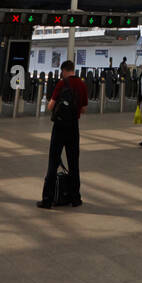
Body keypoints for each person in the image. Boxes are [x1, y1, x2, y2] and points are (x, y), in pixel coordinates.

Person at [36, 59, 89, 209]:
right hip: (73, 127)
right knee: (74, 163)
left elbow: (50, 106)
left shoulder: (61, 84)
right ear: (74, 69)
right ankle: (75, 198)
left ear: (64, 71)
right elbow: (84, 108)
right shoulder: (81, 84)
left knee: (53, 163)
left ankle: (47, 199)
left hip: (59, 127)